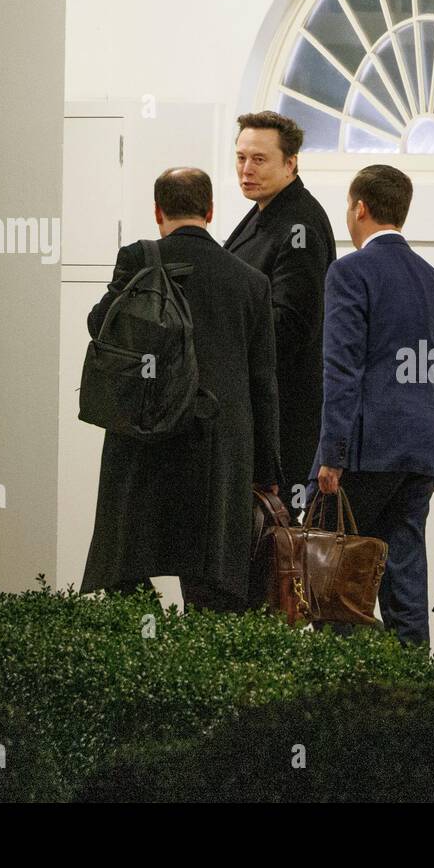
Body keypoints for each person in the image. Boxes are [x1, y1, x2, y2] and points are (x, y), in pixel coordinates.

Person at [81, 167, 282, 612]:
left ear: (158, 211)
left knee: (127, 566)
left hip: (143, 436)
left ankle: (146, 655)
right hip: (217, 448)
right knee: (211, 584)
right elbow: (263, 384)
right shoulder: (251, 282)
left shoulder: (138, 258)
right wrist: (266, 472)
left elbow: (99, 325)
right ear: (211, 210)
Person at [309, 164, 434, 646]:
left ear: (360, 208)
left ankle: (344, 699)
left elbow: (342, 367)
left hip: (364, 451)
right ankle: (409, 695)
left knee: (343, 582)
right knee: (406, 581)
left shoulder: (349, 271)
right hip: (420, 452)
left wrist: (331, 454)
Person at [224, 111, 336, 519]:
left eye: (259, 159)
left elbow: (291, 327)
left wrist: (221, 338)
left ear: (291, 163)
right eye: (240, 158)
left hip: (283, 421)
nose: (246, 170)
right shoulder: (263, 212)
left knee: (273, 557)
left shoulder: (299, 223)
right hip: (257, 411)